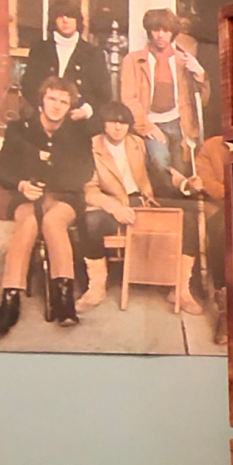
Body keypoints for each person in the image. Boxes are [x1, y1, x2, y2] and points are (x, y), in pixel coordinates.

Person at [0, 76, 95, 335]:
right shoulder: (19, 129)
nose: (57, 106)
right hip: (27, 197)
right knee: (29, 223)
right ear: (41, 100)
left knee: (52, 221)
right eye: (52, 99)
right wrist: (22, 184)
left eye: (63, 102)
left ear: (70, 107)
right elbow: (1, 170)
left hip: (64, 197)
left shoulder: (78, 133)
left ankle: (64, 298)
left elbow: (83, 173)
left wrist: (48, 178)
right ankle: (9, 302)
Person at [119, 8, 210, 196]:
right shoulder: (133, 60)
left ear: (173, 33)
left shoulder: (182, 60)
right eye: (156, 29)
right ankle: (165, 204)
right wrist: (146, 126)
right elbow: (128, 99)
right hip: (151, 122)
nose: (161, 35)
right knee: (160, 162)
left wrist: (201, 76)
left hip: (179, 123)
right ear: (149, 31)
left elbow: (202, 102)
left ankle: (179, 212)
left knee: (182, 167)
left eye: (166, 30)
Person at [78, 102, 156, 312]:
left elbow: (158, 171)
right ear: (104, 124)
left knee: (186, 216)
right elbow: (89, 189)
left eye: (122, 122)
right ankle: (96, 287)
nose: (117, 127)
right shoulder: (92, 146)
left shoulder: (137, 143)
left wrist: (184, 183)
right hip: (109, 203)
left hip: (139, 200)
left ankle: (179, 288)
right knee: (90, 222)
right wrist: (114, 208)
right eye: (112, 122)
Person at [20, 0, 111, 125]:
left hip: (78, 121)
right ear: (53, 21)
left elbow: (104, 94)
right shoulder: (40, 50)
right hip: (42, 119)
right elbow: (28, 85)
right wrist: (42, 108)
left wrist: (86, 111)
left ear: (77, 21)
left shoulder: (93, 53)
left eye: (70, 16)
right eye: (60, 16)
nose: (65, 20)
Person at [184, 133, 233, 344]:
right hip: (222, 207)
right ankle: (227, 311)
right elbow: (208, 184)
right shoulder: (211, 147)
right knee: (223, 230)